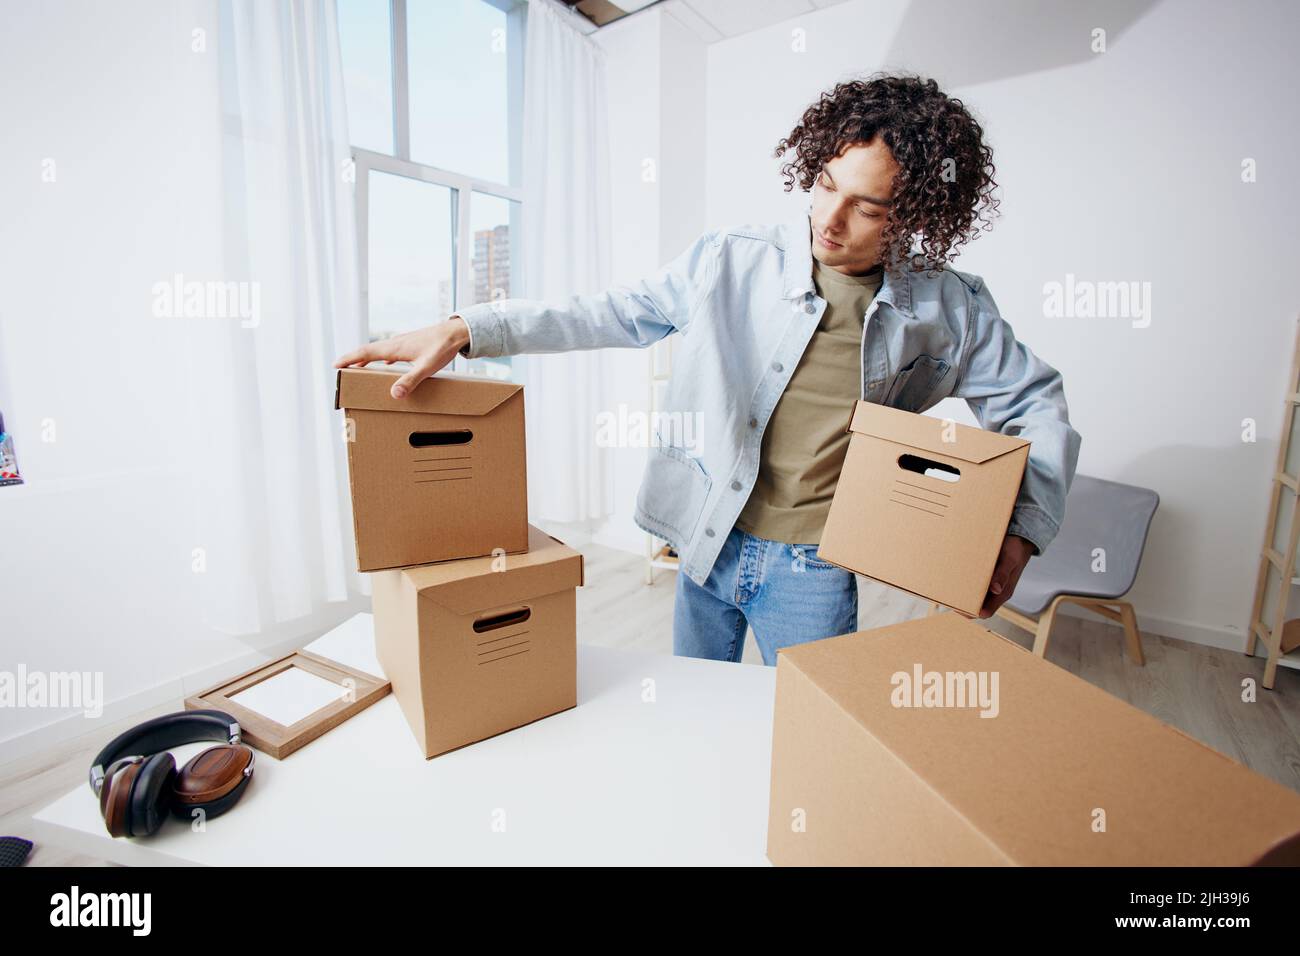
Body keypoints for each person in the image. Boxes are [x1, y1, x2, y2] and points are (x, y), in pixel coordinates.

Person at [335, 72, 1082, 666]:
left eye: (868, 208)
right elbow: (611, 311)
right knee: (694, 716)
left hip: (815, 566)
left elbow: (1035, 404)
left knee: (805, 732)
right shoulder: (734, 259)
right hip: (704, 540)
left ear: (915, 211)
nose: (829, 219)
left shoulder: (949, 308)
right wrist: (469, 327)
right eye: (824, 184)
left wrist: (1020, 531)